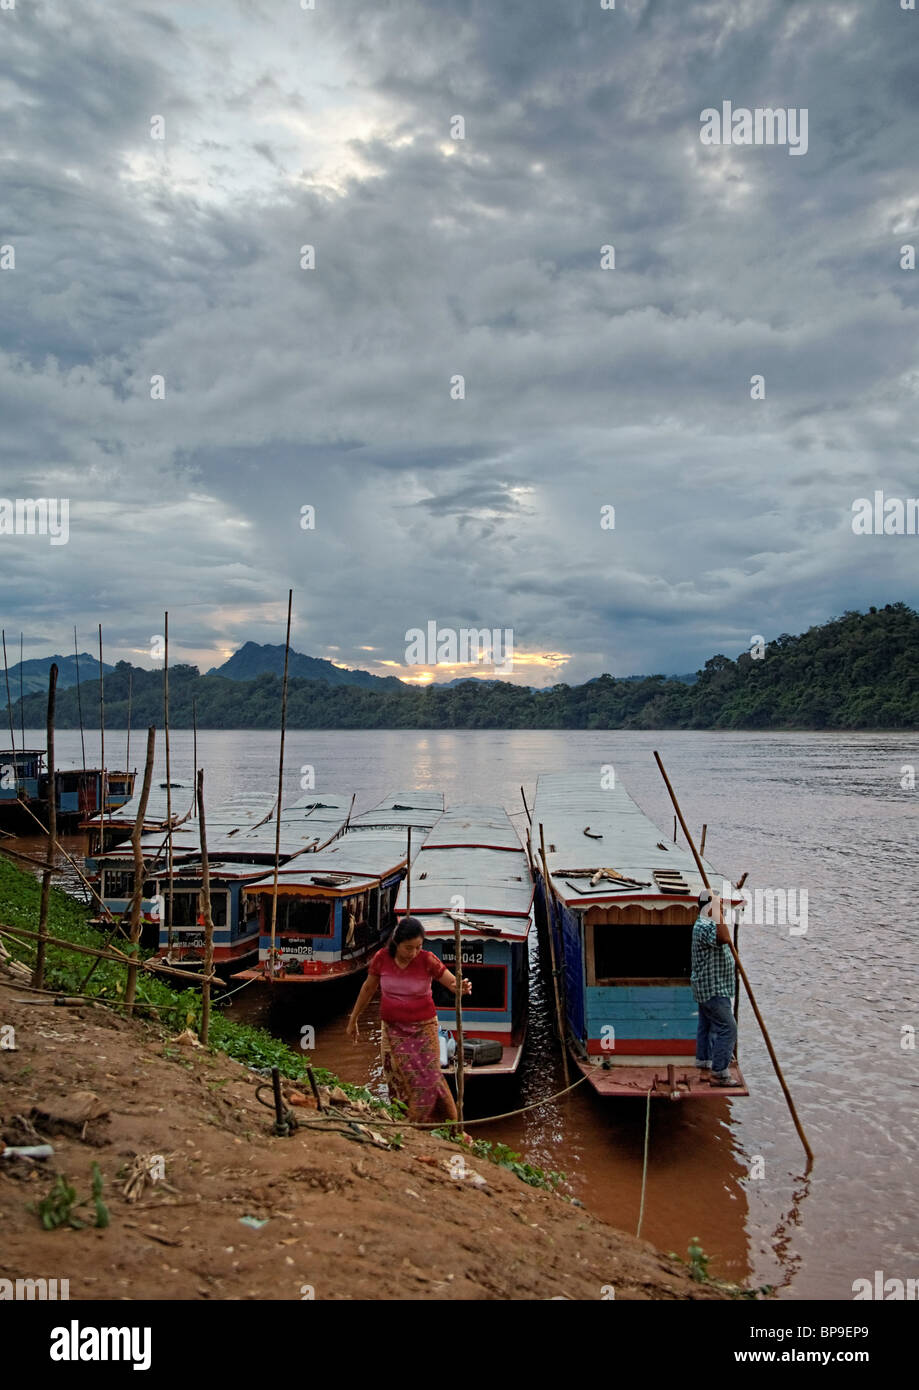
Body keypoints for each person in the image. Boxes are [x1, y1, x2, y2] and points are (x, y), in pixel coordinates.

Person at [346, 916, 471, 1122]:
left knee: (430, 1077)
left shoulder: (427, 959)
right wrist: (354, 1019)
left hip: (424, 1028)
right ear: (396, 942)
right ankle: (405, 1120)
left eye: (418, 947)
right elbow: (368, 989)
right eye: (408, 948)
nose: (413, 953)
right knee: (397, 1076)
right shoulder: (381, 958)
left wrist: (462, 987)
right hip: (392, 1029)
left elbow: (451, 983)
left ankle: (443, 1123)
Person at [691, 887, 737, 1087]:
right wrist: (717, 912)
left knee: (707, 1027)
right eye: (719, 906)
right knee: (728, 1029)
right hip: (713, 989)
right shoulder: (704, 925)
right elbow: (725, 938)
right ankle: (719, 1073)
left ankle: (704, 1067)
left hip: (712, 986)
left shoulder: (707, 923)